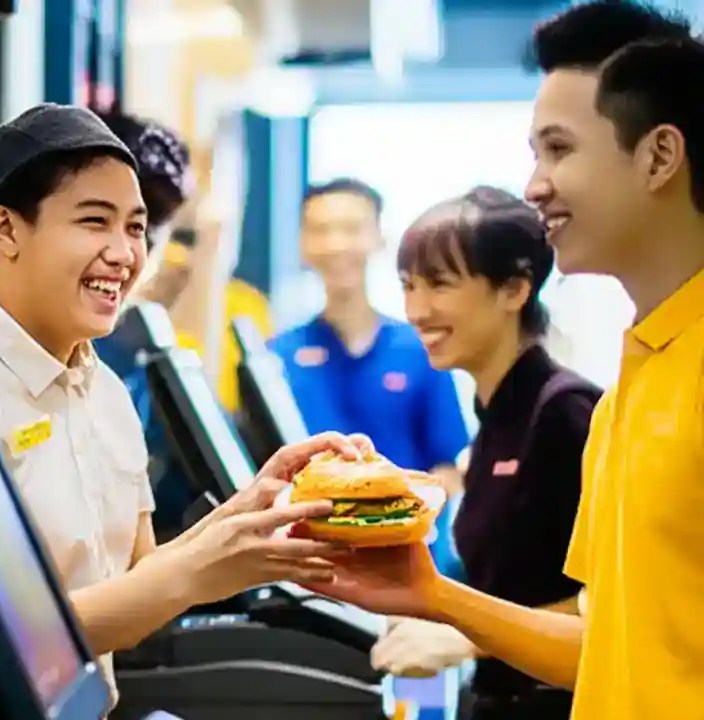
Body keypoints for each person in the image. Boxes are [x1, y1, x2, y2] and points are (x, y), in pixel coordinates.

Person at [0, 103, 364, 709]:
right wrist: (193, 572)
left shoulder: (105, 390)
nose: (124, 254)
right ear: (5, 229)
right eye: (95, 222)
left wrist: (243, 519)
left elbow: (136, 583)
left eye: (136, 228)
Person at [308, 4, 704, 719]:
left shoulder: (580, 404)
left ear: (659, 156)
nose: (534, 185)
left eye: (559, 149)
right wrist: (431, 596)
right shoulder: (631, 390)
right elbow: (606, 646)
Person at [374, 187, 600, 719]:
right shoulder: (495, 417)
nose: (416, 310)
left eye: (439, 284)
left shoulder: (565, 414)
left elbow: (614, 608)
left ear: (515, 289)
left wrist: (465, 636)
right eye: (408, 286)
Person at [270, 178, 469, 575]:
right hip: (312, 565)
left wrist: (393, 519)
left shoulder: (420, 349)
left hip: (408, 564)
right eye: (322, 230)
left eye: (351, 228)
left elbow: (447, 467)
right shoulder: (277, 357)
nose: (336, 244)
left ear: (379, 238)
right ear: (303, 244)